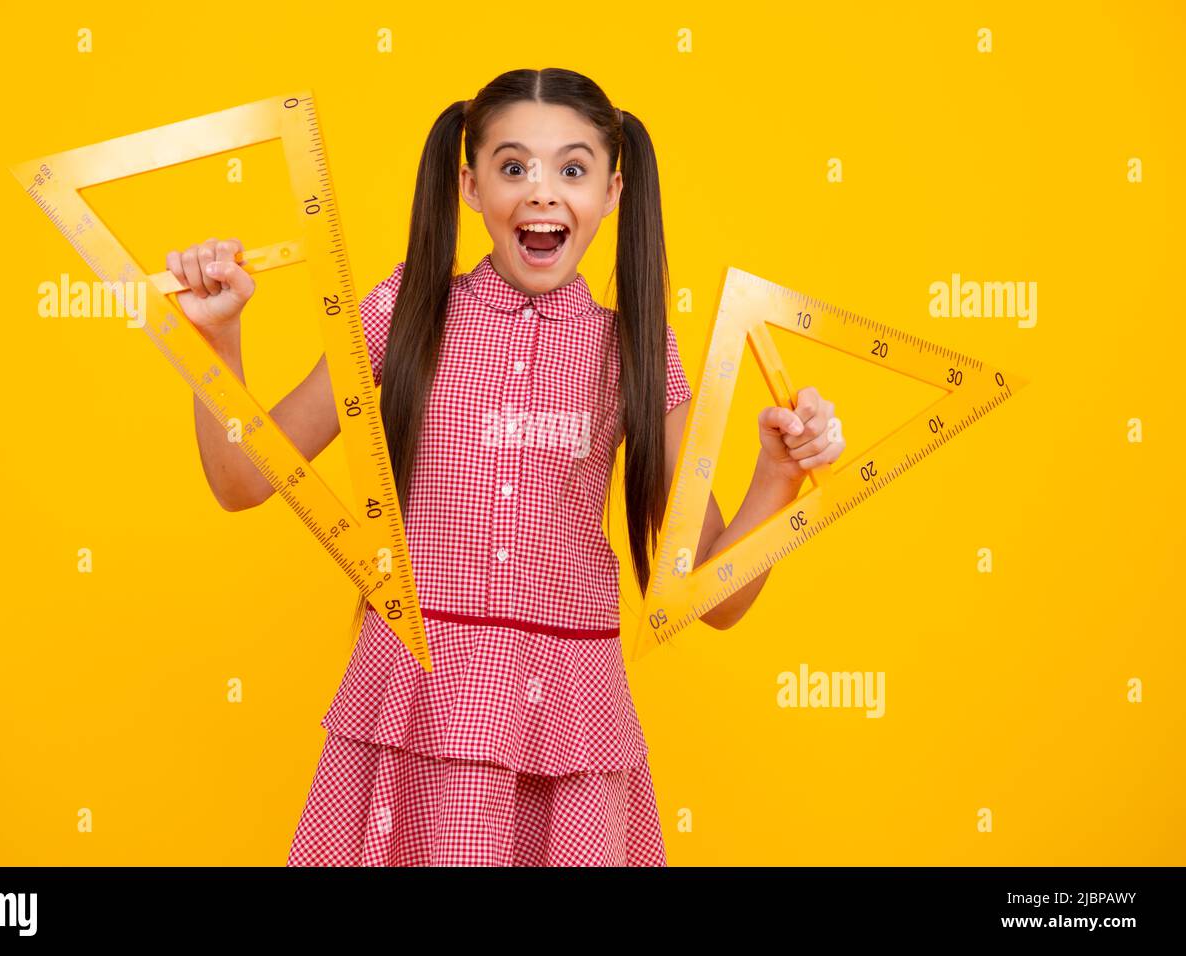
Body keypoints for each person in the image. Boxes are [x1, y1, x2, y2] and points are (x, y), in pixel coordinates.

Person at [166, 67, 844, 866]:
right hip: (420, 697)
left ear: (614, 192)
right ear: (470, 184)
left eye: (574, 169)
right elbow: (244, 481)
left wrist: (778, 477)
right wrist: (217, 342)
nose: (542, 193)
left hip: (573, 713)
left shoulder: (640, 352)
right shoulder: (405, 311)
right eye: (513, 166)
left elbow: (717, 601)